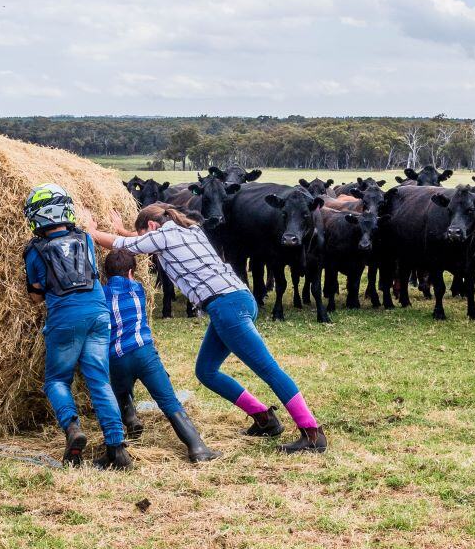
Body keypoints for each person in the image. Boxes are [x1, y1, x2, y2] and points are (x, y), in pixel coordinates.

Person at [91, 203, 327, 452]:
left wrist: (92, 231)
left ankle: (312, 434)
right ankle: (264, 419)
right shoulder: (190, 230)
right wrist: (123, 230)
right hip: (236, 300)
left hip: (227, 308)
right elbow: (140, 241)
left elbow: (122, 245)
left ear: (151, 226)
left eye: (145, 234)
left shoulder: (164, 236)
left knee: (269, 370)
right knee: (206, 371)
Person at [22, 183, 129, 469]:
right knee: (99, 380)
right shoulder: (85, 239)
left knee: (57, 380)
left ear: (37, 217)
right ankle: (117, 450)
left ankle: (72, 429)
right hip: (98, 314)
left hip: (65, 319)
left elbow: (35, 296)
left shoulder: (34, 250)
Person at [102, 246, 221, 463]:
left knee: (120, 391)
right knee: (168, 401)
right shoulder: (138, 288)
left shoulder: (100, 294)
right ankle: (197, 448)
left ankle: (129, 418)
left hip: (116, 357)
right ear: (131, 273)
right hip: (145, 353)